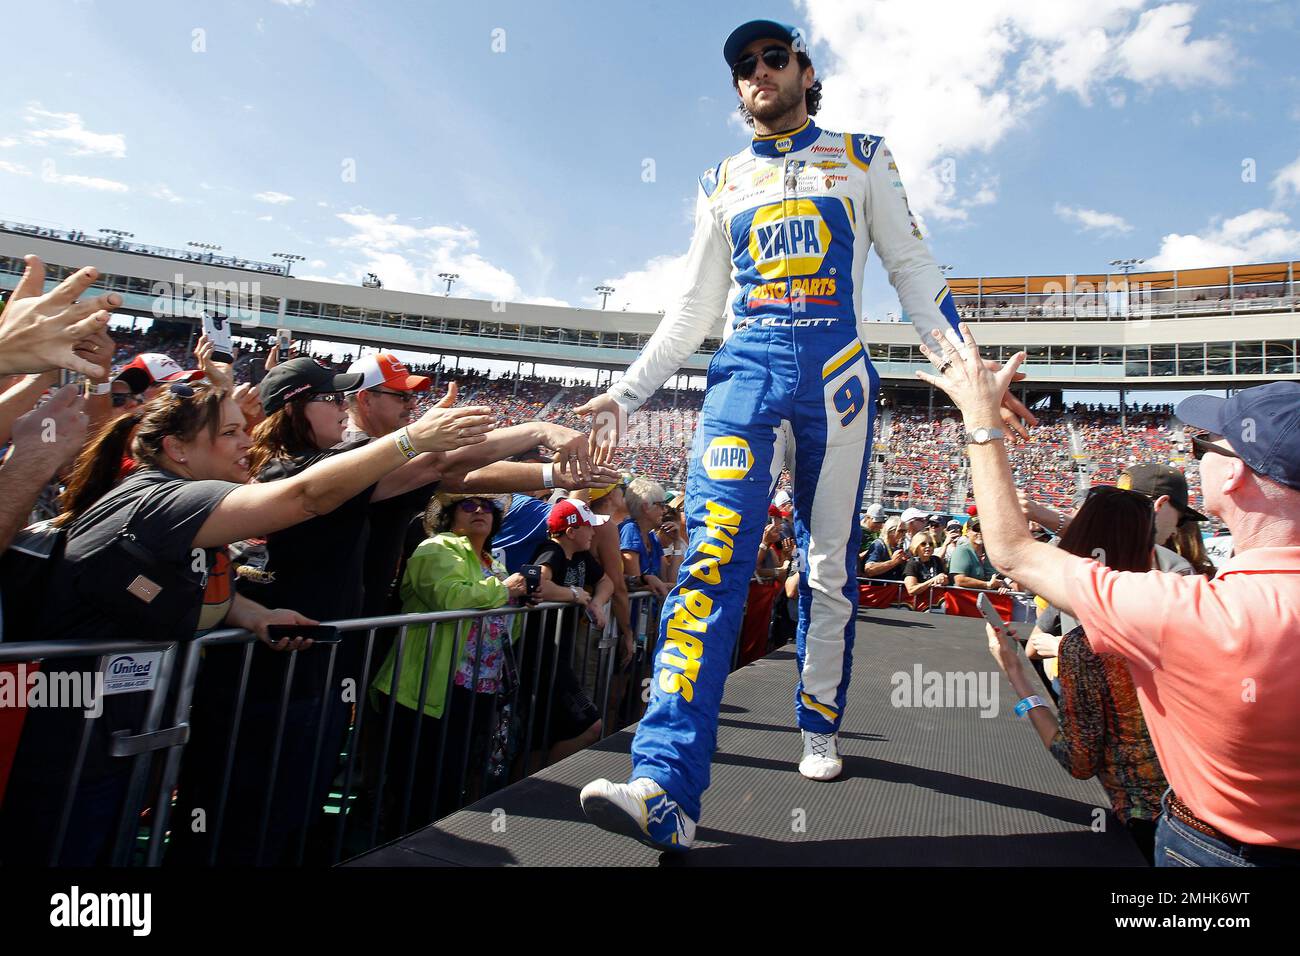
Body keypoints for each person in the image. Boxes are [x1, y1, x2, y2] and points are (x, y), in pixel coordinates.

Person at [578, 17, 1032, 850]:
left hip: (836, 378)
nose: (759, 71)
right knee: (710, 562)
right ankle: (664, 785)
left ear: (805, 70)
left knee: (827, 567)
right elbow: (693, 306)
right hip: (744, 376)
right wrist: (625, 393)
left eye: (773, 57)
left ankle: (819, 723)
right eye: (744, 65)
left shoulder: (863, 157)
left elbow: (913, 270)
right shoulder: (720, 180)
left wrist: (964, 367)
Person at [1, 378, 493, 864]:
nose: (247, 440)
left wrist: (254, 615)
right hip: (65, 738)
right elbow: (304, 497)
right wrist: (409, 440)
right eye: (230, 432)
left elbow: (184, 586)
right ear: (177, 449)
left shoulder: (174, 500)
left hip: (116, 730)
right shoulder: (165, 500)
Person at [918, 326, 1300, 867]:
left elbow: (1013, 552)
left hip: (1211, 848)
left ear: (1235, 474)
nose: (1192, 455)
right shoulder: (1191, 595)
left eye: (1202, 446)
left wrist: (980, 415)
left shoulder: (1190, 609)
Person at [984, 487, 1169, 864]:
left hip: (1147, 824)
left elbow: (1079, 760)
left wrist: (1016, 675)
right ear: (1149, 551)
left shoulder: (1088, 646)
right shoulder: (1186, 610)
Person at [369, 493, 529, 830]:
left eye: (487, 506)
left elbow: (504, 627)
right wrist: (505, 591)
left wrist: (521, 602)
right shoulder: (436, 548)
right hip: (429, 688)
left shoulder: (493, 563)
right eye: (468, 505)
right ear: (450, 515)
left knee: (451, 780)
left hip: (478, 688)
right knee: (416, 786)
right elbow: (448, 597)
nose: (480, 510)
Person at [520, 498, 613, 768]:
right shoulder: (552, 551)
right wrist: (575, 594)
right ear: (571, 532)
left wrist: (596, 603)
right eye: (588, 526)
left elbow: (605, 581)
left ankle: (535, 780)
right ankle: (542, 780)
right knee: (591, 725)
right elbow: (536, 583)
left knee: (544, 737)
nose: (593, 532)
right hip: (540, 657)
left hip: (559, 656)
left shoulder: (581, 556)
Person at [619, 476, 670, 599]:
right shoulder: (630, 530)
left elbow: (667, 577)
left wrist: (677, 542)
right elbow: (635, 581)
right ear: (646, 507)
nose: (664, 510)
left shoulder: (652, 536)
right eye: (662, 505)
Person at [947, 518, 1013, 593]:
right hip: (965, 597)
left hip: (988, 596)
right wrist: (987, 585)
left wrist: (1001, 586)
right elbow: (960, 580)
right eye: (976, 529)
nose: (980, 532)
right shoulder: (961, 550)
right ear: (968, 532)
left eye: (983, 530)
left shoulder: (991, 552)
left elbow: (999, 577)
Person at [901, 536, 947, 610]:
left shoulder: (936, 560)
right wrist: (932, 581)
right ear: (916, 547)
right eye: (923, 544)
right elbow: (911, 590)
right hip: (918, 604)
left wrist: (944, 579)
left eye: (931, 544)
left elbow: (945, 582)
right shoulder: (912, 563)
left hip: (937, 600)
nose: (928, 546)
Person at [860, 515, 907, 581]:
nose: (904, 534)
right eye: (901, 531)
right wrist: (893, 562)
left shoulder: (898, 547)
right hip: (877, 586)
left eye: (905, 531)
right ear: (890, 531)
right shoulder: (879, 544)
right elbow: (869, 569)